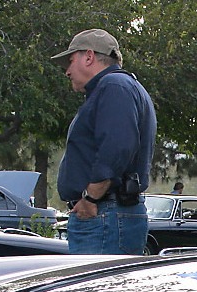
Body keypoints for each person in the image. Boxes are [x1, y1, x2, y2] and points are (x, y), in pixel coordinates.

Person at [53, 29, 156, 254]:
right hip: (109, 213)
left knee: (93, 290)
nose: (67, 71)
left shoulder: (113, 86)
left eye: (70, 61)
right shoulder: (121, 87)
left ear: (89, 56)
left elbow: (117, 148)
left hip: (104, 214)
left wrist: (90, 198)